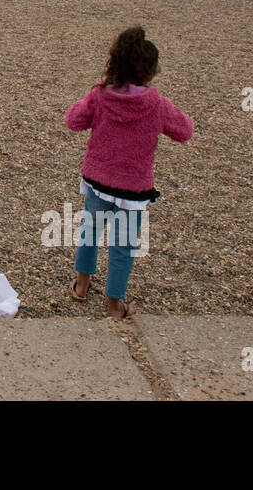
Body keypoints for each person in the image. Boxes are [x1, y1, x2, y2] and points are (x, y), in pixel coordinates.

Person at [65, 26, 193, 319]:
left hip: (97, 181)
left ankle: (82, 285)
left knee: (90, 232)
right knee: (122, 247)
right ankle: (114, 306)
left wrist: (94, 93)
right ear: (149, 72)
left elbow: (73, 120)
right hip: (132, 191)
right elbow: (185, 131)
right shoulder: (157, 105)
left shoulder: (100, 95)